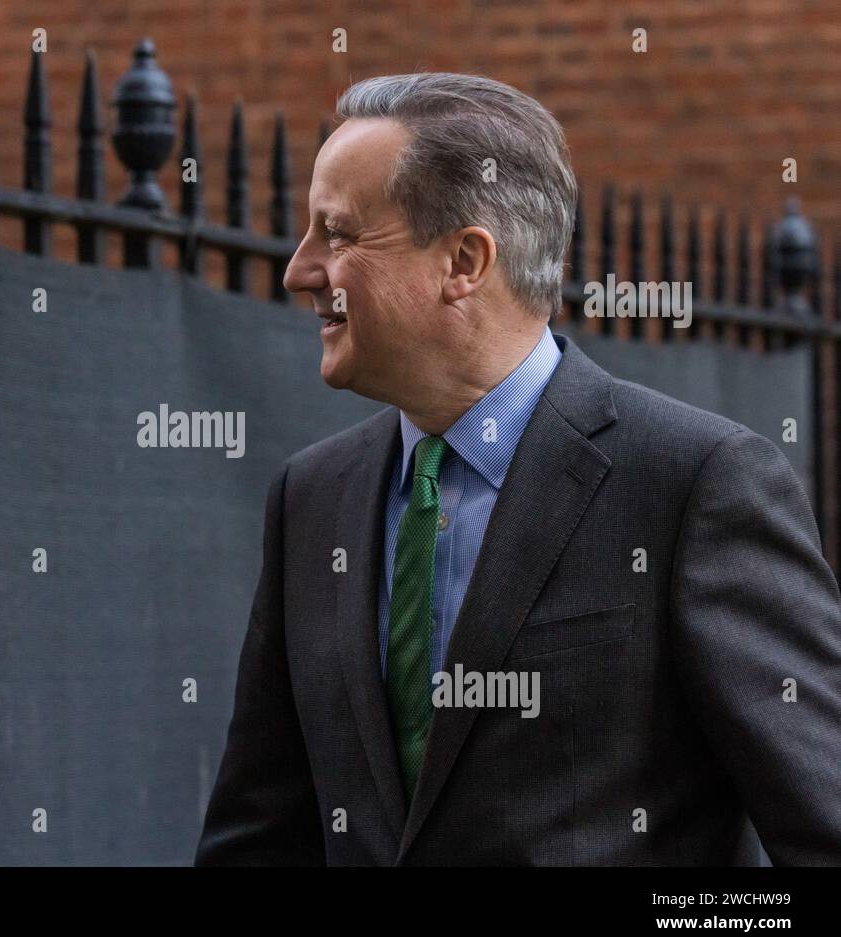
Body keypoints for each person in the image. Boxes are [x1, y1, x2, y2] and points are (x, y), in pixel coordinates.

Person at [194, 73, 841, 866]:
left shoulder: (696, 482)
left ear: (463, 260)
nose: (298, 270)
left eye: (338, 234)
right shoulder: (310, 497)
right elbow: (257, 838)